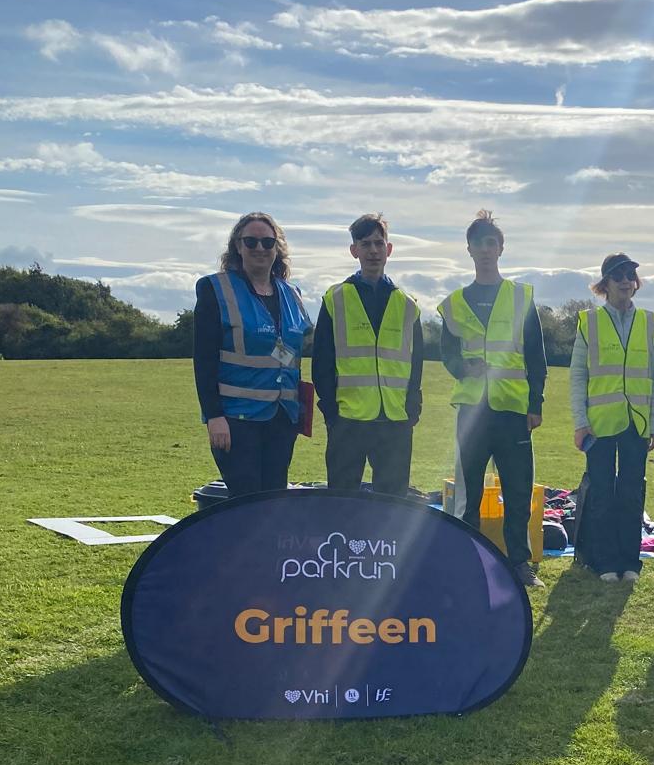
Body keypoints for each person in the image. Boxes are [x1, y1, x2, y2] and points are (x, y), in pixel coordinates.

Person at [439, 210, 548, 590]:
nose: (484, 250)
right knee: (469, 490)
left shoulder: (520, 297)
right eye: (478, 243)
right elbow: (446, 352)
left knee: (517, 490)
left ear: (500, 248)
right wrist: (461, 368)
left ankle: (518, 563)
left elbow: (536, 354)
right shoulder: (454, 302)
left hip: (513, 410)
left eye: (491, 242)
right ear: (468, 250)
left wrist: (536, 403)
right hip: (472, 411)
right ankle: (468, 556)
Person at [192, 212, 310, 497]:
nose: (260, 248)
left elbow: (294, 356)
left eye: (268, 242)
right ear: (237, 247)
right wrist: (214, 416)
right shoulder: (215, 288)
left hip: (282, 418)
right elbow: (204, 359)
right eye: (251, 241)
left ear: (277, 249)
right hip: (236, 419)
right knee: (245, 503)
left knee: (272, 502)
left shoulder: (292, 293)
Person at [313, 213, 422, 499]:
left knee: (393, 505)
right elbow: (321, 360)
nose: (373, 250)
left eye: (378, 243)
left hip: (395, 420)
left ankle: (387, 547)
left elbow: (417, 362)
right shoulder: (334, 299)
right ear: (354, 250)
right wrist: (330, 409)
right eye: (365, 244)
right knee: (342, 499)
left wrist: (413, 406)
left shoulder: (408, 304)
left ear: (389, 249)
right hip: (348, 419)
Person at [570, 253, 654, 583]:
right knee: (602, 494)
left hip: (636, 424)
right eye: (618, 275)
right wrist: (580, 421)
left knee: (631, 494)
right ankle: (605, 560)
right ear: (605, 284)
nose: (626, 281)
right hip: (599, 423)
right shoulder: (589, 322)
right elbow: (578, 375)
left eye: (630, 275)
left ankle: (630, 561)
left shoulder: (650, 323)